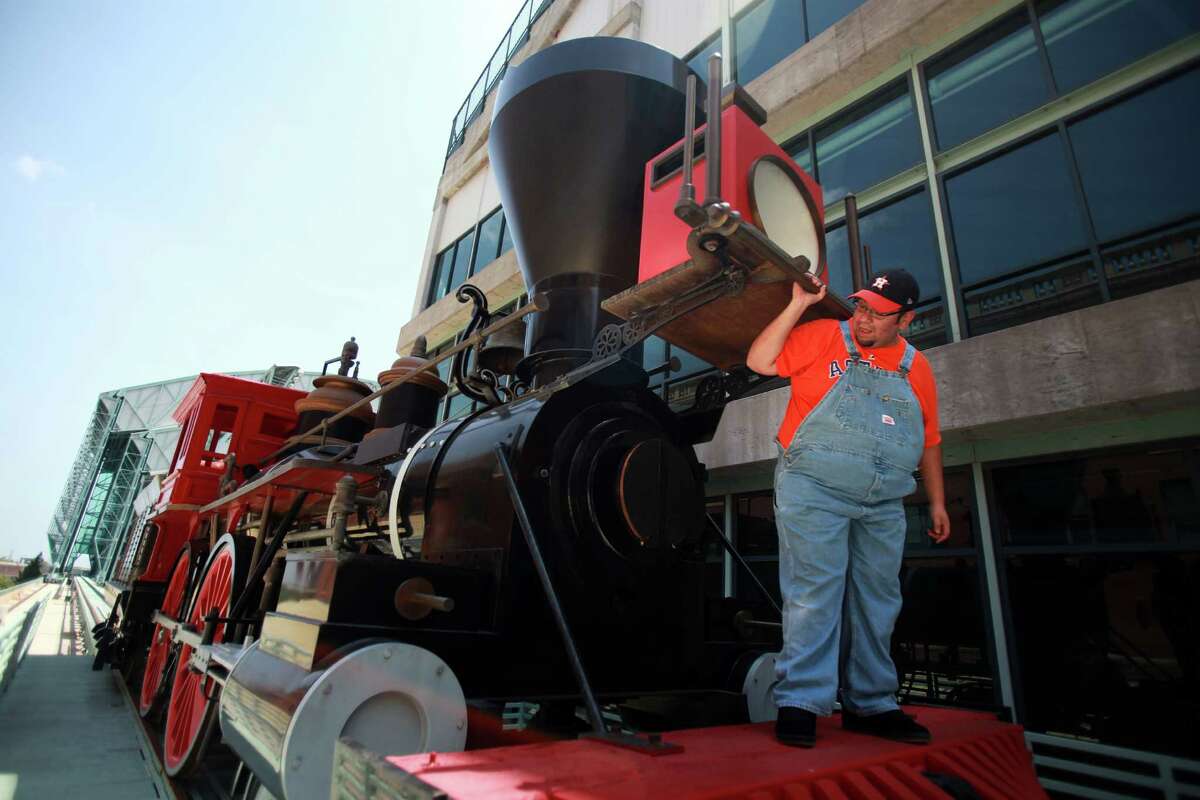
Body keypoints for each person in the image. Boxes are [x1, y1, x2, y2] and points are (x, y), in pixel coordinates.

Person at [746, 268, 950, 748]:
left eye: (879, 314)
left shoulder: (916, 366)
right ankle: (800, 701)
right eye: (861, 307)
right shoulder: (823, 335)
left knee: (879, 600)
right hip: (814, 488)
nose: (864, 320)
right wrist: (798, 304)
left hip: (884, 500)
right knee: (814, 593)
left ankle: (872, 704)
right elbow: (759, 361)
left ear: (906, 319)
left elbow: (929, 439)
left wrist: (938, 501)